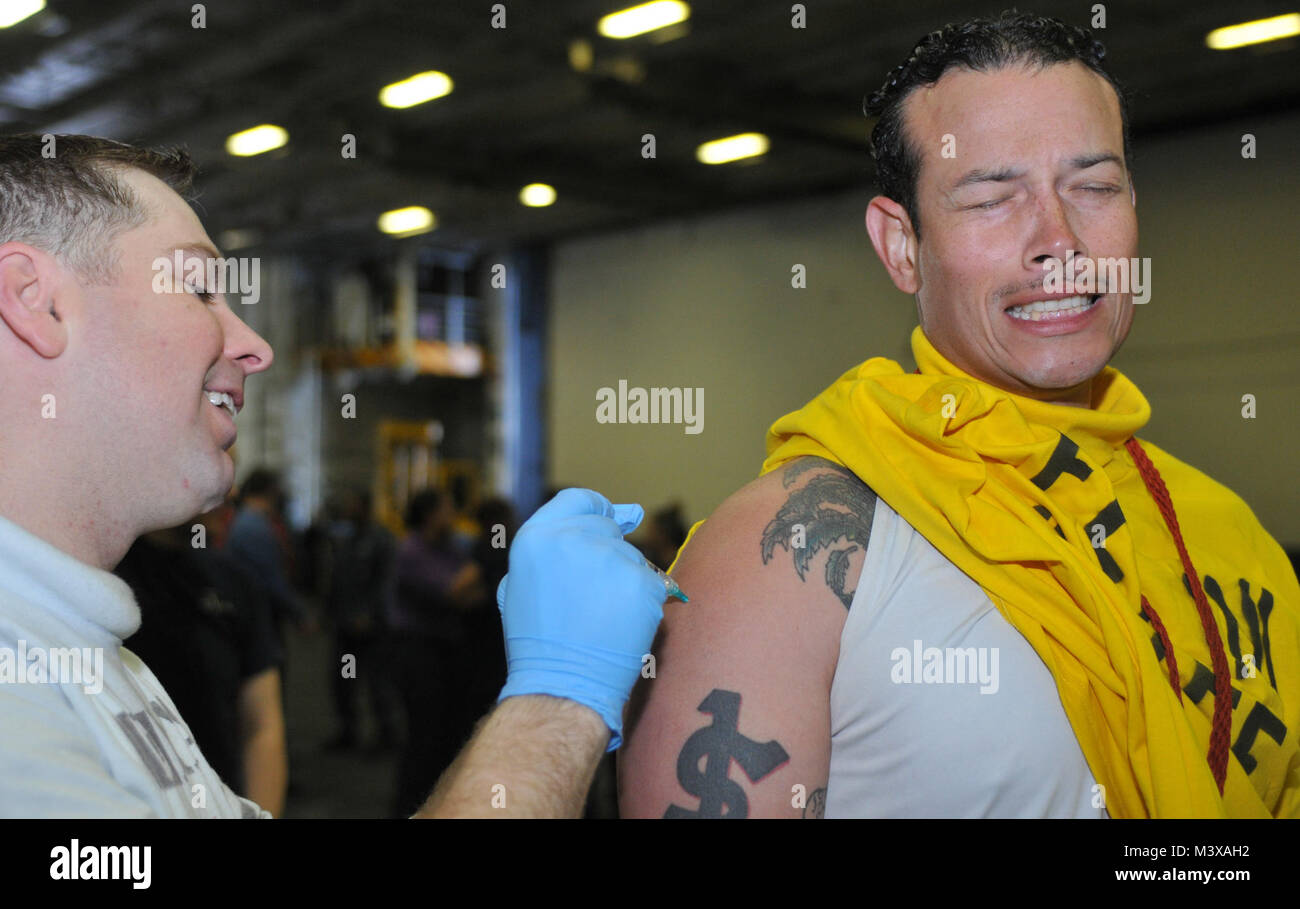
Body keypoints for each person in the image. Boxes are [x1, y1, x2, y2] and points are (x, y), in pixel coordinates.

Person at [619, 12, 1300, 819]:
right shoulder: (790, 553)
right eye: (991, 197)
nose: (1060, 240)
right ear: (902, 246)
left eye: (1094, 187)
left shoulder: (1225, 533)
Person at [0, 133, 666, 818]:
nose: (255, 345)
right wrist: (561, 696)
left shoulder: (101, 660)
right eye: (199, 288)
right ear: (36, 300)